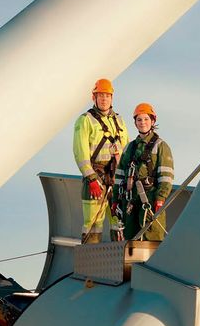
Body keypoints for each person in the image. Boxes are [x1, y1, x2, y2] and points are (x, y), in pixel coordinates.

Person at [72, 78, 127, 243]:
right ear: (93, 97)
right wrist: (91, 178)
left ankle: (118, 263)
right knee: (93, 222)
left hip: (116, 178)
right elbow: (80, 152)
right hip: (96, 177)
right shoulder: (85, 120)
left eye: (107, 95)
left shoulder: (119, 120)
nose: (104, 99)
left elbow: (126, 150)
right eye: (100, 95)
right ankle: (89, 264)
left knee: (119, 221)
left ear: (112, 98)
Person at [113, 102, 174, 243]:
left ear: (153, 121)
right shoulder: (129, 148)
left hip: (150, 200)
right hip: (130, 201)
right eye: (139, 119)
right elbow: (119, 175)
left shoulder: (161, 146)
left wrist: (160, 198)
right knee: (129, 239)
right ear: (135, 123)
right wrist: (115, 199)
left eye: (146, 119)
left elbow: (166, 176)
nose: (142, 122)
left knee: (151, 236)